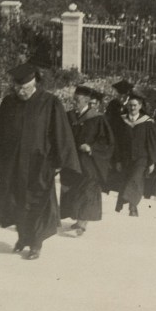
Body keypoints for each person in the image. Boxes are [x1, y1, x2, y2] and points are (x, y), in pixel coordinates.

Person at [0, 63, 80, 260]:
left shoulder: (49, 102)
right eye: (17, 88)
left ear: (34, 83)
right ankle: (23, 237)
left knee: (37, 204)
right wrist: (0, 159)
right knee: (17, 202)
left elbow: (61, 133)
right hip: (14, 164)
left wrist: (58, 161)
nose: (20, 92)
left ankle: (36, 243)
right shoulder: (9, 102)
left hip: (40, 164)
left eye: (24, 88)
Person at [60, 86, 115, 235]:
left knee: (87, 190)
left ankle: (82, 223)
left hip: (89, 162)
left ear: (86, 101)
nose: (74, 103)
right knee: (74, 189)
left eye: (77, 100)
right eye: (74, 100)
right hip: (72, 161)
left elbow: (107, 142)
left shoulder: (97, 118)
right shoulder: (68, 116)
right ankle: (78, 219)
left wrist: (91, 147)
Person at [113, 91, 156, 217]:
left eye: (135, 105)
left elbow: (152, 143)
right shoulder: (121, 120)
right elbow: (117, 142)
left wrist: (152, 161)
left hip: (142, 158)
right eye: (130, 105)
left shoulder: (147, 122)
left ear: (140, 106)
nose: (132, 108)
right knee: (129, 180)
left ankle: (132, 206)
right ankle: (132, 204)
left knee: (135, 179)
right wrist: (118, 160)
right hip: (126, 157)